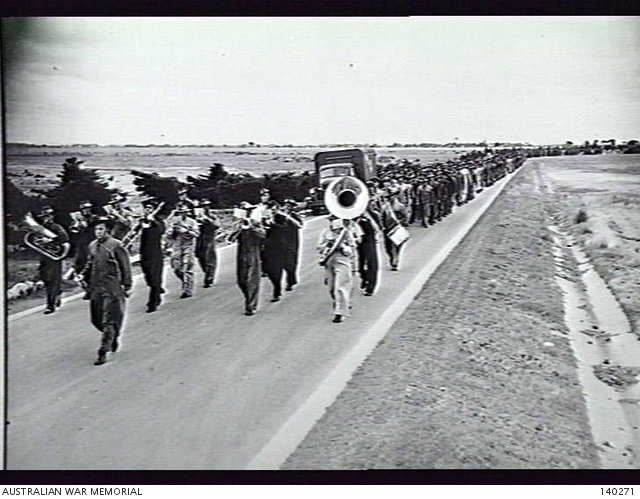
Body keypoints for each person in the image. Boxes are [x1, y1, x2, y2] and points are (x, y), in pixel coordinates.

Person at [81, 217, 132, 366]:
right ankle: (113, 336)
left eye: (101, 229)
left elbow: (125, 266)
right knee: (96, 319)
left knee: (109, 319)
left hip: (112, 287)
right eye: (96, 229)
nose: (98, 232)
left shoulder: (116, 245)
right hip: (96, 287)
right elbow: (90, 263)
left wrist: (127, 285)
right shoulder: (92, 245)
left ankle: (103, 351)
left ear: (108, 230)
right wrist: (83, 274)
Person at [317, 216, 361, 323]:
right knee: (331, 288)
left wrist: (343, 247)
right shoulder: (325, 232)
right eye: (331, 220)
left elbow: (352, 248)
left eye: (335, 220)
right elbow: (319, 247)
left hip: (342, 259)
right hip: (329, 260)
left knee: (341, 286)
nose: (333, 223)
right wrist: (327, 246)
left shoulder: (345, 233)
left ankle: (339, 312)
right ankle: (337, 301)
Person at [230, 203, 267, 316]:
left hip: (253, 253)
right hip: (241, 254)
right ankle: (249, 298)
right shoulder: (237, 224)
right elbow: (230, 238)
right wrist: (239, 229)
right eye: (244, 210)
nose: (246, 212)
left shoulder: (256, 222)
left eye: (248, 210)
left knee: (252, 280)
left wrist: (251, 228)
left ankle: (251, 306)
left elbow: (263, 234)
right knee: (241, 281)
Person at [37, 206, 71, 314]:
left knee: (53, 280)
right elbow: (35, 240)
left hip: (55, 257)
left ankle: (50, 305)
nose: (46, 218)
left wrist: (50, 240)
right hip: (44, 257)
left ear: (52, 216)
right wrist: (40, 241)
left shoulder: (56, 227)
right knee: (45, 279)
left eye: (48, 216)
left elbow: (65, 238)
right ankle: (58, 293)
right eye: (44, 216)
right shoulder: (41, 228)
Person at [139, 199, 166, 313]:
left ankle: (152, 303)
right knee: (148, 277)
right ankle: (157, 291)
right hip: (144, 253)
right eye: (146, 208)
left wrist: (153, 220)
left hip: (155, 252)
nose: (147, 210)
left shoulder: (159, 220)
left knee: (154, 276)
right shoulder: (142, 220)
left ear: (154, 210)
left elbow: (162, 230)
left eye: (149, 208)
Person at [169, 203, 200, 298]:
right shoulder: (174, 221)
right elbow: (168, 235)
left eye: (185, 212)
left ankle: (187, 290)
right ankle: (185, 281)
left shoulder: (192, 222)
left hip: (188, 245)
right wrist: (172, 230)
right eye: (180, 212)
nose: (182, 214)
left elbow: (197, 234)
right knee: (176, 268)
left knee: (188, 266)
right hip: (177, 245)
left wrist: (187, 231)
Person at [356, 202, 382, 297]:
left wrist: (367, 220)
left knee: (372, 263)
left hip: (370, 240)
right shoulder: (354, 214)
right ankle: (364, 277)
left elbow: (378, 228)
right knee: (360, 264)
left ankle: (370, 288)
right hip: (359, 241)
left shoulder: (373, 214)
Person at [381, 188, 409, 271]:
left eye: (391, 196)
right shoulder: (385, 207)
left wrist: (401, 222)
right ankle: (393, 258)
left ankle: (395, 262)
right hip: (387, 229)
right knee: (388, 247)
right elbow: (382, 218)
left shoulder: (400, 206)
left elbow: (405, 216)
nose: (390, 198)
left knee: (396, 246)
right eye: (388, 197)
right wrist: (382, 226)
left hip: (397, 228)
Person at [194, 199, 220, 288]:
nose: (205, 207)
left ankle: (209, 278)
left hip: (209, 238)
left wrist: (207, 220)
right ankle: (208, 272)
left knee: (210, 258)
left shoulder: (213, 216)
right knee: (200, 257)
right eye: (203, 206)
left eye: (207, 205)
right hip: (200, 239)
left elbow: (216, 226)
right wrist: (197, 222)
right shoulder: (197, 215)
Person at [280, 199, 303, 292]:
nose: (286, 207)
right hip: (282, 241)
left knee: (291, 262)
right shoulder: (280, 215)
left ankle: (290, 282)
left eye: (289, 206)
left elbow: (300, 225)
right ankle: (290, 279)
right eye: (285, 205)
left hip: (292, 241)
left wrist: (289, 218)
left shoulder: (294, 216)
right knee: (283, 261)